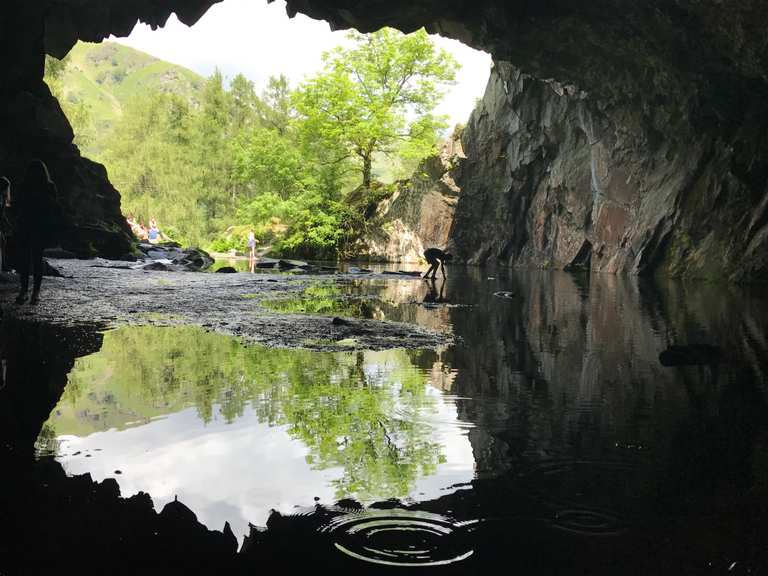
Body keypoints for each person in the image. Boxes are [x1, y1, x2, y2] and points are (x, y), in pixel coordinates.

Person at [14, 159, 62, 305]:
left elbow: (18, 205)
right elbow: (55, 207)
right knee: (34, 259)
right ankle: (32, 293)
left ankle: (27, 292)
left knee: (30, 259)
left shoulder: (27, 185)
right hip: (36, 226)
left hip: (31, 225)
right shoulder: (47, 186)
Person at [0, 176, 10, 274]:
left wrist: (8, 224)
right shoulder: (1, 198)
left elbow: (2, 215)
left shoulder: (2, 198)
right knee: (2, 241)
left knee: (3, 241)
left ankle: (3, 264)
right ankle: (3, 264)